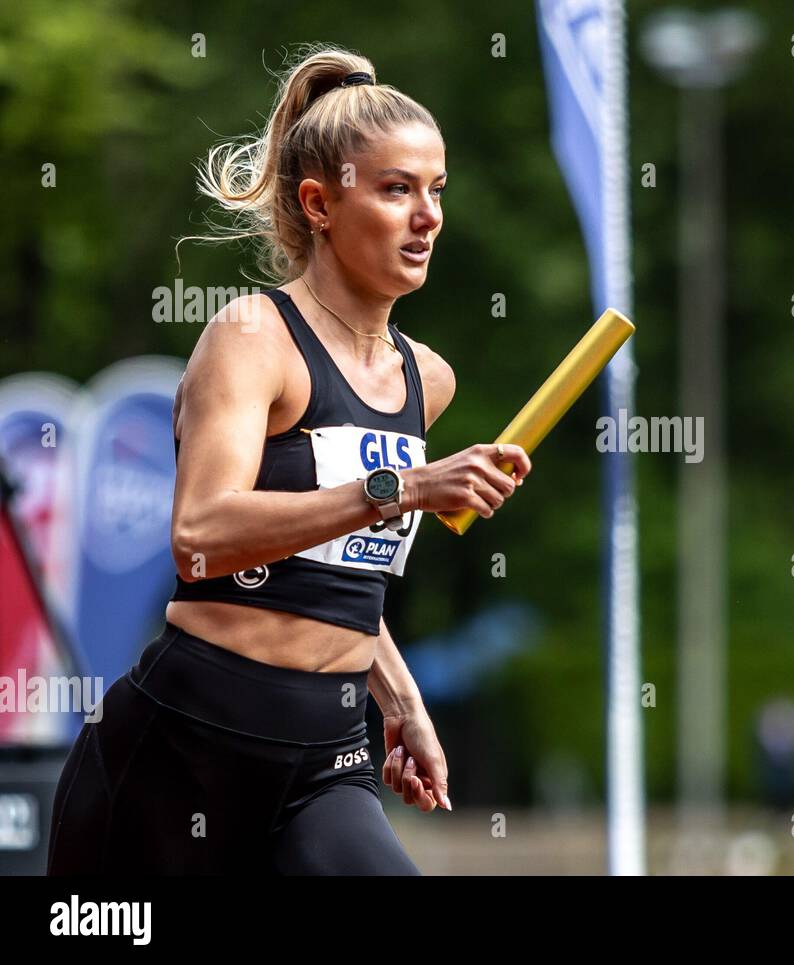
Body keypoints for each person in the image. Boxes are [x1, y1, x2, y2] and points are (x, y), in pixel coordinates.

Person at [45, 45, 531, 874]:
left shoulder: (429, 380)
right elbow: (200, 534)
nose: (428, 216)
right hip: (181, 751)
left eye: (436, 190)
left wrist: (404, 703)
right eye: (395, 189)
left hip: (325, 757)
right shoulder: (252, 337)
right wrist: (403, 486)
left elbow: (335, 578)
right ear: (319, 203)